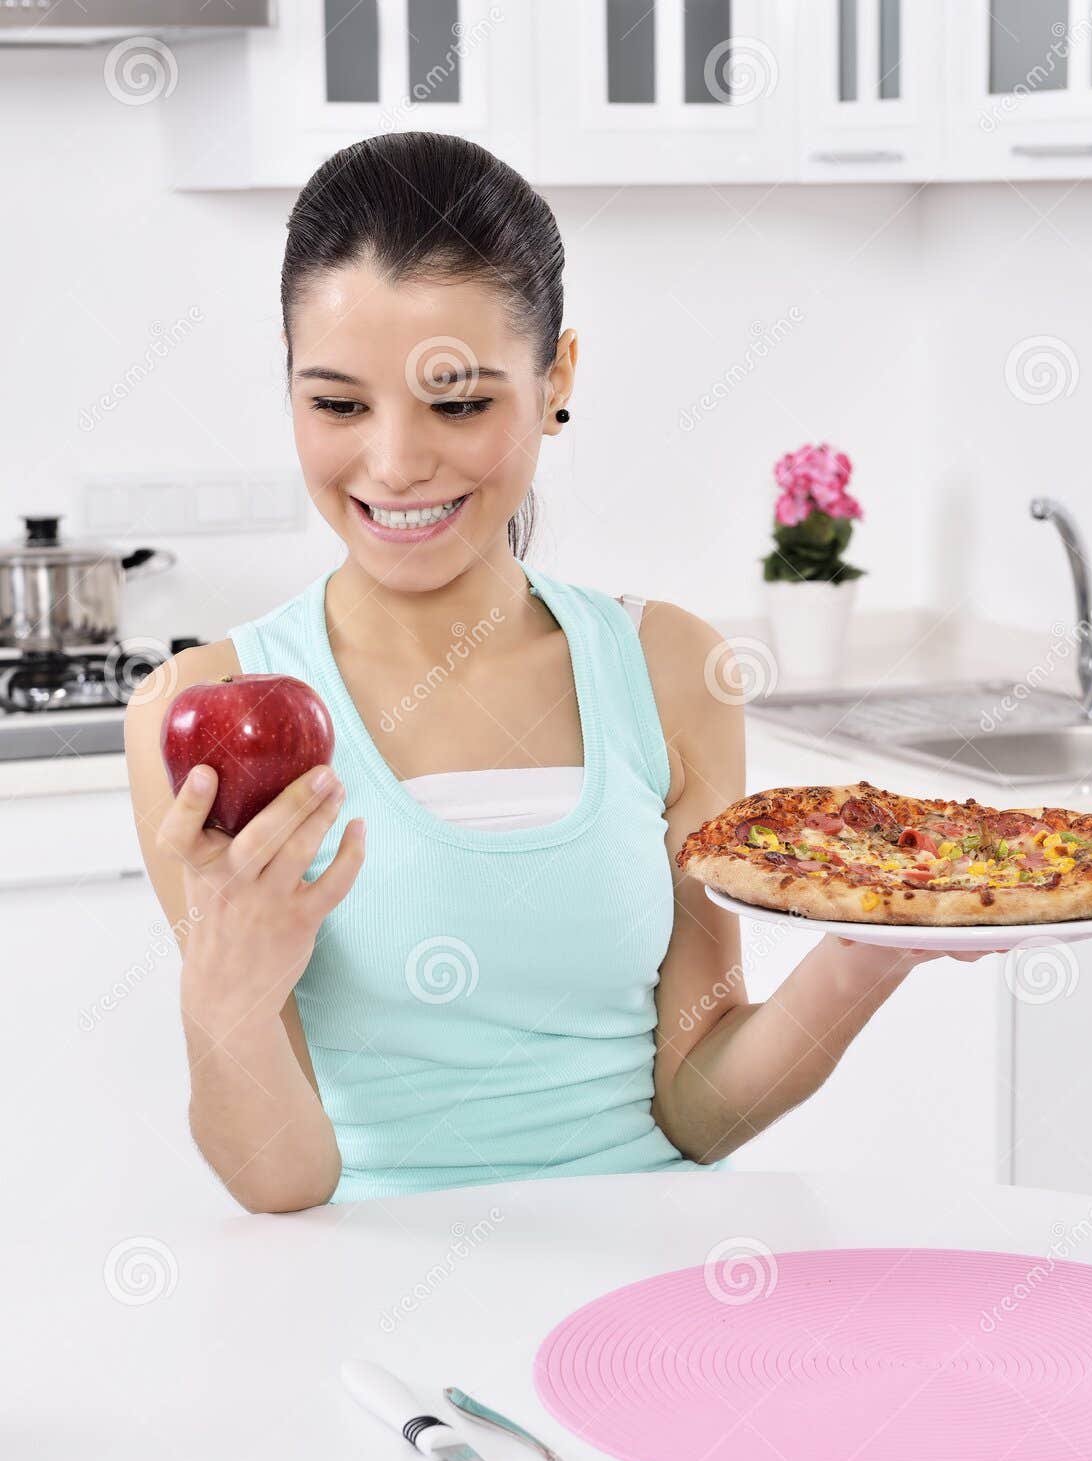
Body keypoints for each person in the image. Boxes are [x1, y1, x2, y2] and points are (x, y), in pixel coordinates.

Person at [125, 130, 996, 1214]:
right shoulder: (200, 711)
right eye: (338, 404)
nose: (393, 463)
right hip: (365, 1312)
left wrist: (871, 947)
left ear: (556, 381)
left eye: (459, 402)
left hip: (653, 1285)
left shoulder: (666, 667)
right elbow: (286, 1184)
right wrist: (226, 1001)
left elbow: (696, 1104)